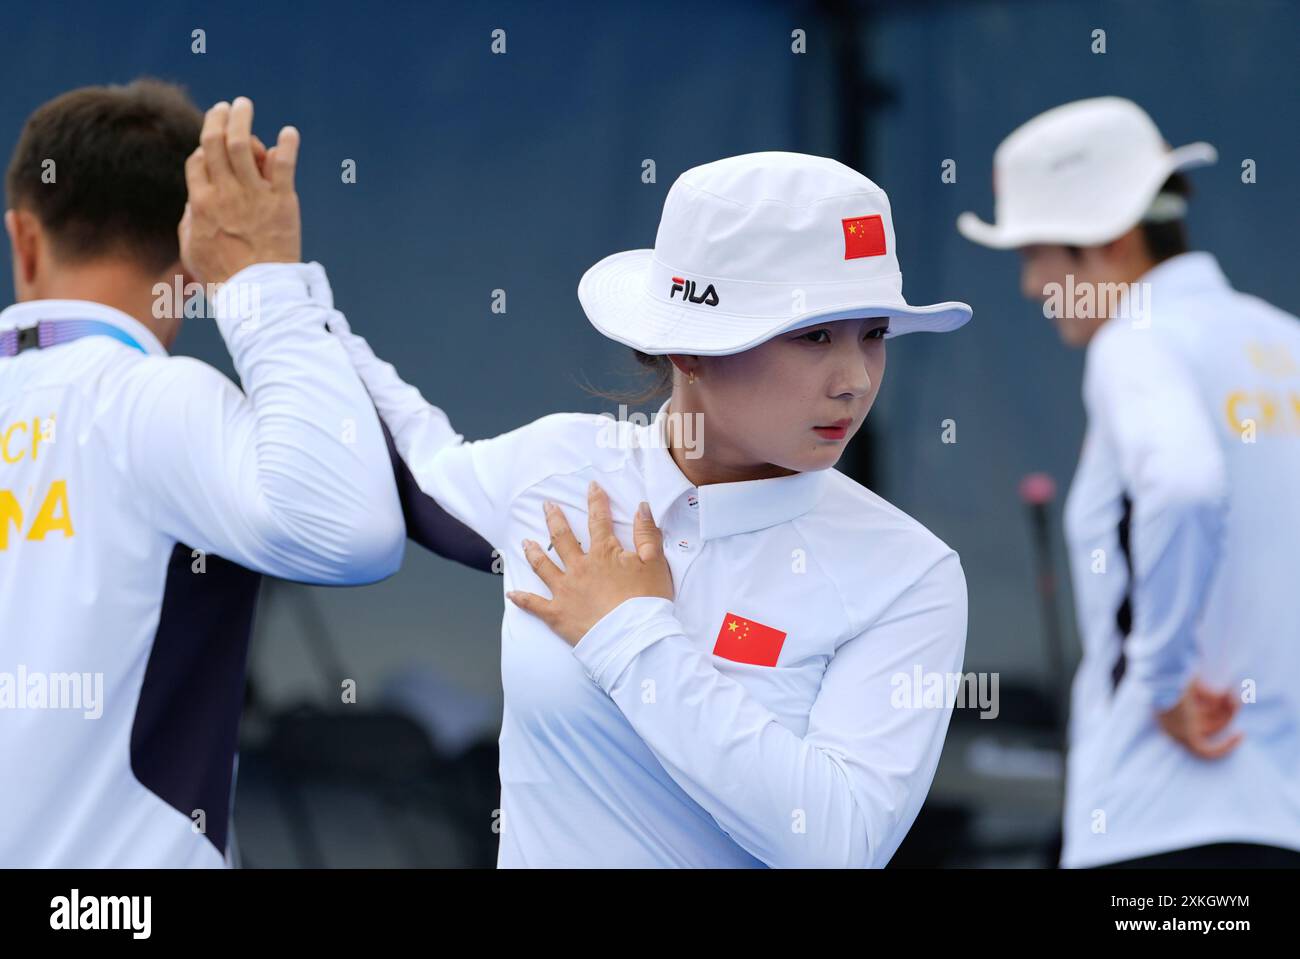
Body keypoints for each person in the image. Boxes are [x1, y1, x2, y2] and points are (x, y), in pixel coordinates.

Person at [312, 151, 972, 866]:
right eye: (815, 336)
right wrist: (273, 281)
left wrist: (631, 633)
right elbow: (407, 458)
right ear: (686, 348)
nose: (855, 380)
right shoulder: (559, 466)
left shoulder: (911, 573)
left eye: (872, 334)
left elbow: (839, 844)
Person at [0, 84, 405, 867]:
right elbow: (355, 532)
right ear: (189, 264)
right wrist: (261, 281)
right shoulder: (153, 402)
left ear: (22, 238)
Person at [958, 96, 1300, 868]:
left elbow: (1181, 486)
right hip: (1280, 821)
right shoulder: (1285, 342)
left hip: (1157, 827)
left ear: (1111, 239)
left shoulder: (1134, 342)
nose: (1030, 284)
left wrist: (1164, 679)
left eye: (1034, 253)